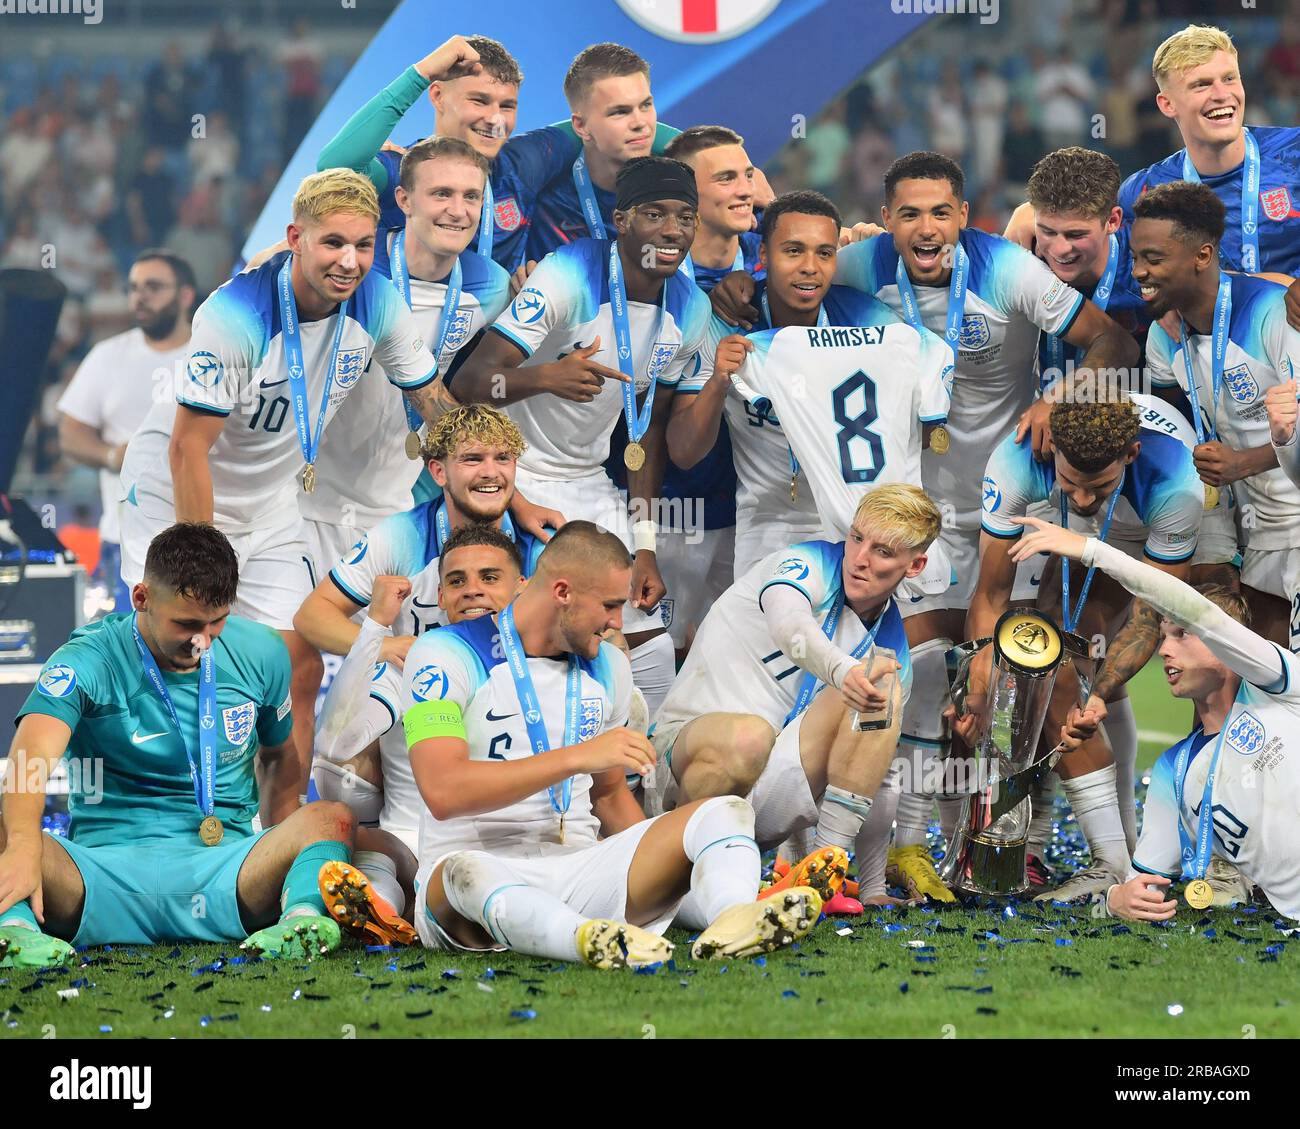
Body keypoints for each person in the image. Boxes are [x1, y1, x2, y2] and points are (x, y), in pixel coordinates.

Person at [709, 153, 1141, 899]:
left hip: (1011, 498)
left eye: (940, 212)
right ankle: (901, 846)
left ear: (965, 214)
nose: (925, 228)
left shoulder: (1008, 268)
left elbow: (1114, 343)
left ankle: (1023, 844)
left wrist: (1060, 396)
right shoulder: (856, 264)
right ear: (888, 218)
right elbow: (792, 271)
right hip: (908, 511)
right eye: (908, 214)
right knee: (913, 671)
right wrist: (740, 281)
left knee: (1027, 677)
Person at [323, 522, 823, 967]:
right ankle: (586, 940)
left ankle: (734, 918)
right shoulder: (444, 653)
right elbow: (444, 791)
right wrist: (577, 757)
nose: (616, 623)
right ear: (562, 590)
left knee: (724, 811)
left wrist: (673, 850)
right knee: (465, 874)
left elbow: (607, 797)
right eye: (609, 606)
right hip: (474, 872)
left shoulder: (610, 666)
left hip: (581, 865)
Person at [118, 169, 446, 790]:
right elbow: (190, 449)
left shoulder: (376, 302)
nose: (349, 261)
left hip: (270, 504)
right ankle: (159, 804)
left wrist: (497, 468)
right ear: (295, 237)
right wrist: (201, 566)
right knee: (172, 649)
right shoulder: (236, 313)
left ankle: (284, 830)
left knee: (294, 664)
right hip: (174, 489)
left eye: (364, 244)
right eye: (332, 243)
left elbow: (431, 400)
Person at [0, 524, 357, 969]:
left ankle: (299, 919)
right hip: (97, 875)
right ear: (141, 599)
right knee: (9, 827)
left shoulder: (263, 651)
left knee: (330, 819)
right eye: (186, 624)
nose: (202, 640)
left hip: (224, 872)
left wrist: (282, 847)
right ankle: (14, 934)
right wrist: (21, 845)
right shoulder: (88, 658)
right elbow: (31, 755)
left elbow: (279, 756)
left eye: (217, 621)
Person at [452, 156, 713, 716]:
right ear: (621, 221)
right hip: (514, 480)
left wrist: (645, 545)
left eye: (685, 217)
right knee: (542, 642)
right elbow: (471, 382)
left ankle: (645, 788)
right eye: (654, 214)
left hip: (591, 481)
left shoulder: (691, 309)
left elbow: (650, 430)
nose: (672, 230)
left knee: (649, 651)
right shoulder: (570, 274)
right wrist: (547, 377)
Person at [647, 486, 936, 911]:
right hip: (681, 769)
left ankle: (824, 874)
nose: (860, 559)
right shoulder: (805, 562)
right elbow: (790, 625)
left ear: (915, 565)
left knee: (883, 688)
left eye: (882, 551)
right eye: (857, 538)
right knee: (751, 736)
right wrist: (842, 671)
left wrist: (873, 885)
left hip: (763, 792)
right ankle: (679, 876)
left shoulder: (892, 644)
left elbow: (879, 773)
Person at [1007, 516, 1300, 923]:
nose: (1165, 650)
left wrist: (1092, 551)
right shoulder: (1173, 772)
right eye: (1164, 636)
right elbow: (1144, 882)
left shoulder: (1285, 689)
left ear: (1227, 641)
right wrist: (1115, 901)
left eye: (1181, 634)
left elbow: (1200, 612)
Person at [966, 396, 1203, 899]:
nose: (1083, 500)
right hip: (1078, 532)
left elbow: (1148, 617)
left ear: (1132, 454)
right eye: (1070, 483)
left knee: (1105, 660)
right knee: (1038, 653)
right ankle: (1041, 848)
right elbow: (990, 594)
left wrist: (1099, 693)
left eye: (1098, 486)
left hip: (1149, 527)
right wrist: (980, 678)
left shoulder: (1176, 483)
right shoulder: (1016, 461)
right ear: (1052, 454)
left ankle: (1123, 854)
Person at [298, 139, 513, 578]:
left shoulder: (491, 286)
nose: (458, 210)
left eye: (471, 196)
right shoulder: (354, 262)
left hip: (393, 505)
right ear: (403, 199)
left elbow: (468, 389)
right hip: (303, 499)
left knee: (385, 643)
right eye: (441, 194)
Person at [311, 524, 527, 934]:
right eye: (457, 581)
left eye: (490, 578)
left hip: (518, 845)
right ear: (441, 597)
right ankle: (379, 913)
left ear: (522, 587)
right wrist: (375, 627)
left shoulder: (549, 665)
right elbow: (335, 743)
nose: (473, 590)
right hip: (419, 846)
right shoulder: (411, 664)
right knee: (372, 846)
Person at [317, 36, 679, 279]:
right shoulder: (405, 169)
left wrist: (715, 161)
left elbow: (617, 124)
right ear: (438, 96)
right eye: (479, 101)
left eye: (507, 106)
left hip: (489, 365)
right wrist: (420, 73)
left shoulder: (525, 162)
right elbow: (334, 169)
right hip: (399, 358)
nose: (495, 120)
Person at [1137, 182, 1300, 648]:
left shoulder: (1272, 312)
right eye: (1135, 257)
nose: (1139, 271)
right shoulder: (1164, 339)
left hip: (1297, 517)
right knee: (1260, 683)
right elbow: (1179, 428)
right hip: (1258, 532)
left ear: (1203, 256)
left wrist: (1242, 464)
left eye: (1154, 258)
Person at [629, 125, 764, 658]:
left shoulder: (771, 258)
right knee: (659, 660)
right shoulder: (649, 276)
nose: (744, 189)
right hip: (670, 510)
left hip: (750, 512)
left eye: (748, 175)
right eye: (726, 178)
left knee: (729, 662)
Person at [57, 250, 196, 612]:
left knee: (200, 655)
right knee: (126, 657)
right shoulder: (108, 355)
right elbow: (70, 432)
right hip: (123, 543)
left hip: (199, 540)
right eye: (133, 287)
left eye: (153, 286)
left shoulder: (210, 353)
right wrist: (111, 455)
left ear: (185, 295)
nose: (140, 296)